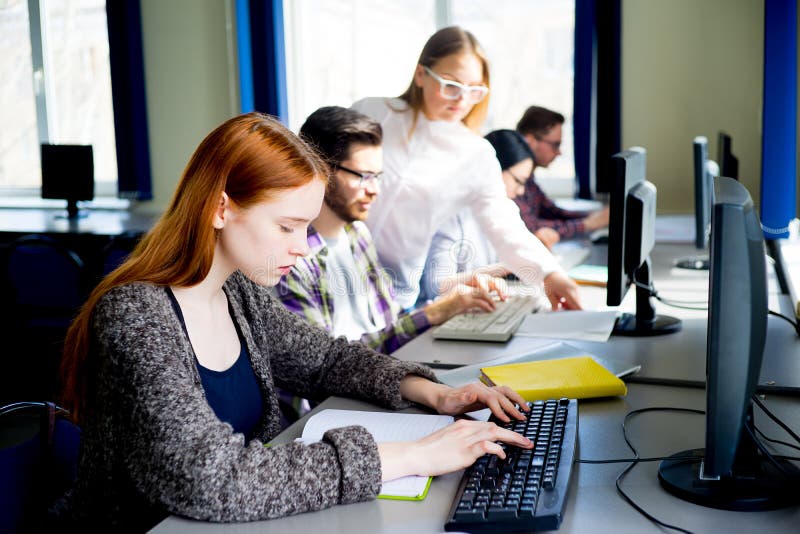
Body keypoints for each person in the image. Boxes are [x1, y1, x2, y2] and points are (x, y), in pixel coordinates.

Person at [55, 113, 534, 529]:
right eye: (287, 227)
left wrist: (435, 393)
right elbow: (213, 481)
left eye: (306, 228)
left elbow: (324, 359)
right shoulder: (137, 316)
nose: (303, 246)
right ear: (221, 208)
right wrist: (415, 456)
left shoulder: (239, 290)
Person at [351, 26, 582, 311]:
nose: (462, 100)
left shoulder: (474, 154)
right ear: (421, 74)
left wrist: (549, 273)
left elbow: (505, 226)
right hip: (334, 275)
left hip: (393, 298)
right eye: (451, 85)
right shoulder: (371, 113)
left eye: (474, 90)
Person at [275, 106, 505, 354]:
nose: (374, 189)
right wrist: (434, 313)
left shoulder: (357, 235)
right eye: (363, 176)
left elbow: (392, 324)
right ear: (320, 170)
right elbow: (323, 363)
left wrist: (453, 301)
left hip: (383, 373)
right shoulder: (292, 259)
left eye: (377, 177)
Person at [419, 129, 535, 303]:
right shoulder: (451, 215)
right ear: (494, 170)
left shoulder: (502, 211)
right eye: (518, 181)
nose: (521, 191)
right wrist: (505, 267)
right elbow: (436, 287)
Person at [516, 105, 610, 247]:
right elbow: (531, 228)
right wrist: (588, 224)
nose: (559, 152)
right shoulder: (512, 178)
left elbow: (551, 211)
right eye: (555, 145)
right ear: (530, 140)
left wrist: (593, 216)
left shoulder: (528, 177)